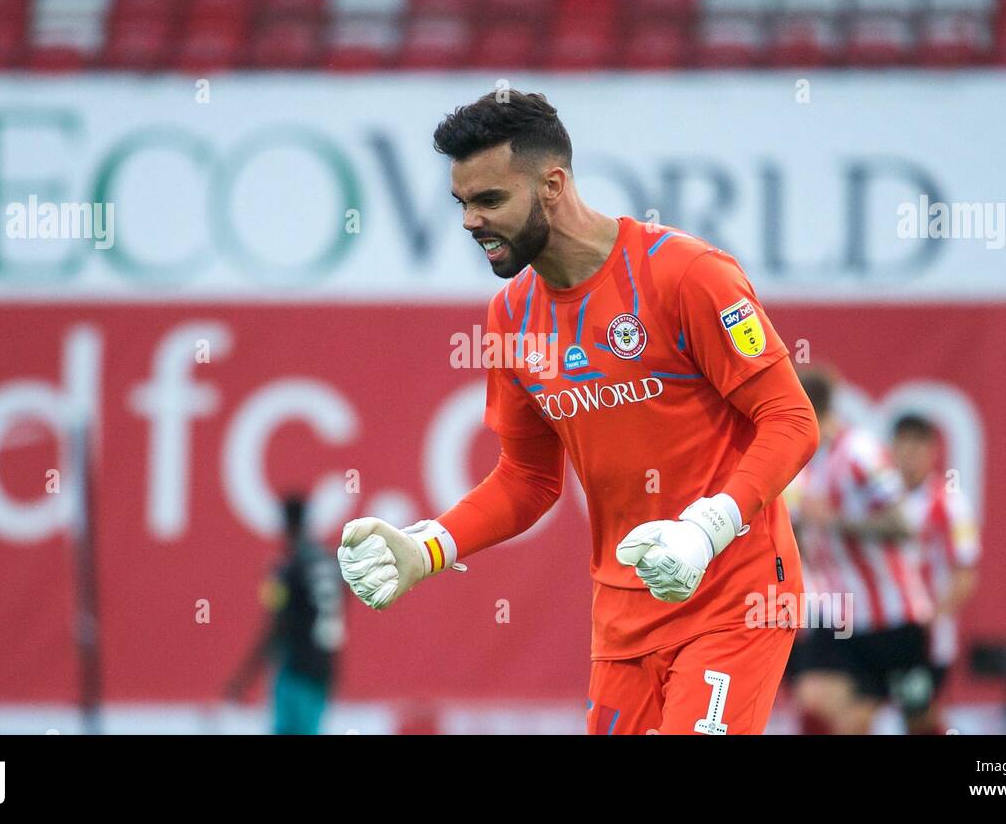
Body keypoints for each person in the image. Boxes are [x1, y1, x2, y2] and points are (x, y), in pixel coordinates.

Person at [337, 90, 819, 735]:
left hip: (735, 597)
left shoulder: (686, 274)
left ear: (552, 185)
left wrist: (705, 530)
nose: (469, 222)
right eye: (461, 203)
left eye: (489, 201)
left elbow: (791, 419)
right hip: (623, 619)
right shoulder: (509, 318)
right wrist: (427, 548)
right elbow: (528, 479)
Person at [786, 368, 935, 734]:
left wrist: (837, 522)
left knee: (919, 721)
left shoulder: (860, 454)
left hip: (894, 620)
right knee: (814, 698)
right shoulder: (812, 462)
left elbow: (902, 525)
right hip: (844, 619)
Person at [892, 413, 981, 734]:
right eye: (904, 443)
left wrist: (935, 616)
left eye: (919, 444)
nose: (910, 453)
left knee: (917, 714)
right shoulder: (878, 500)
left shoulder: (951, 505)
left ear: (932, 451)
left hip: (924, 639)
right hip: (878, 627)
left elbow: (965, 573)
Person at [227, 495, 343, 734]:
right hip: (324, 669)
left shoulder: (288, 569)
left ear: (285, 525)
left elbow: (276, 624)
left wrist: (244, 676)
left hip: (295, 669)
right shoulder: (330, 563)